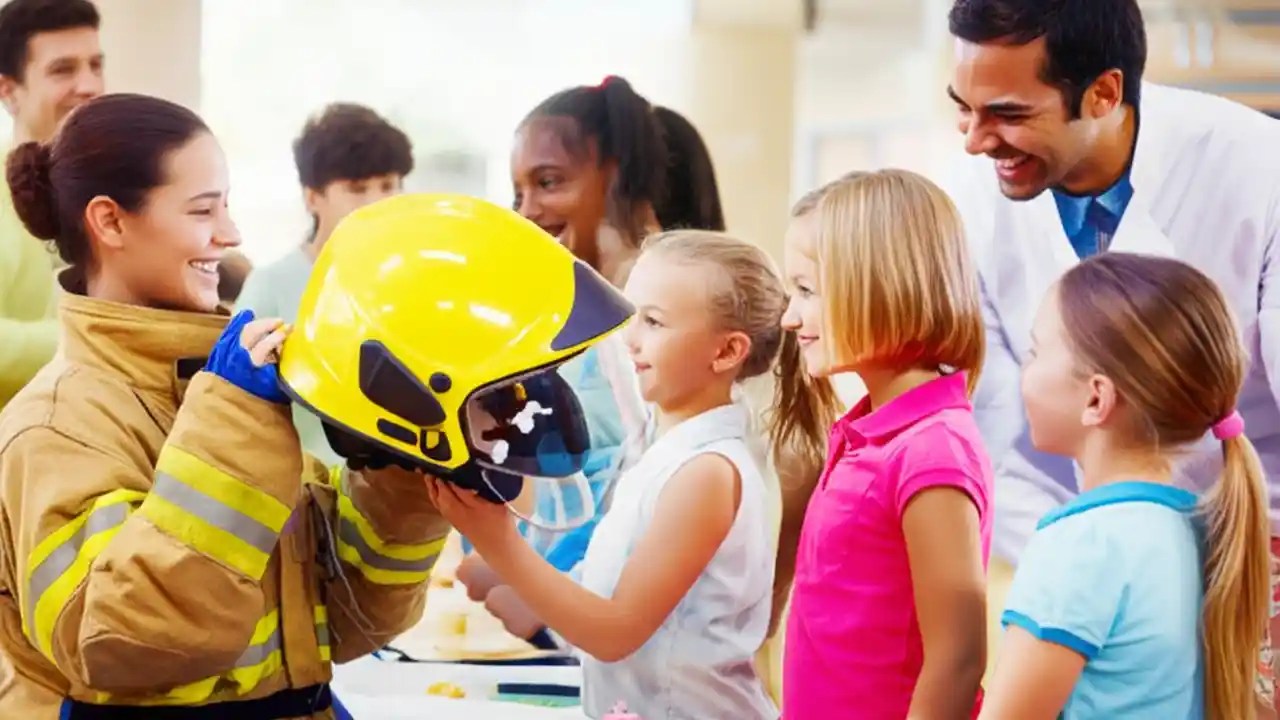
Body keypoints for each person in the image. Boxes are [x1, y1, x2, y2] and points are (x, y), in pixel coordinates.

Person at [0, 93, 449, 719]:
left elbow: (349, 621)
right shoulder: (56, 425)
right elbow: (123, 640)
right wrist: (233, 421)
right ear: (110, 222)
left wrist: (397, 467)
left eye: (228, 205)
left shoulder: (219, 389)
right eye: (203, 209)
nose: (232, 234)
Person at [943, 0, 1280, 703]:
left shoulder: (1255, 170)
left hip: (1257, 546)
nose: (975, 141)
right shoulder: (975, 202)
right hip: (1090, 556)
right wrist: (1098, 567)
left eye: (1006, 112)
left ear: (1103, 92)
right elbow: (995, 425)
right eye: (961, 108)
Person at [429, 230, 783, 720]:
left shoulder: (706, 471)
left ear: (725, 353)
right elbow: (611, 590)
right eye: (631, 316)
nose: (630, 338)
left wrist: (499, 544)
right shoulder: (666, 449)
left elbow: (615, 631)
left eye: (654, 322)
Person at [981, 253, 1270, 720]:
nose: (1024, 371)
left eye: (1035, 352)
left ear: (1097, 397)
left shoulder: (1080, 544)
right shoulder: (1195, 526)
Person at [780, 169, 992, 719]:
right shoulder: (865, 434)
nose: (789, 317)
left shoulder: (931, 451)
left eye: (805, 291)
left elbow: (959, 659)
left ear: (877, 285)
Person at [236, 102, 413, 466]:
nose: (379, 202)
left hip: (400, 501)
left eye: (389, 185)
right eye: (358, 188)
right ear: (313, 197)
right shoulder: (271, 285)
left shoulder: (411, 283)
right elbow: (233, 410)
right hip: (305, 496)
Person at [0, 0, 104, 409]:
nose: (90, 85)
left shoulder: (118, 193)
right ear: (8, 91)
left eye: (96, 65)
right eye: (63, 69)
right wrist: (97, 335)